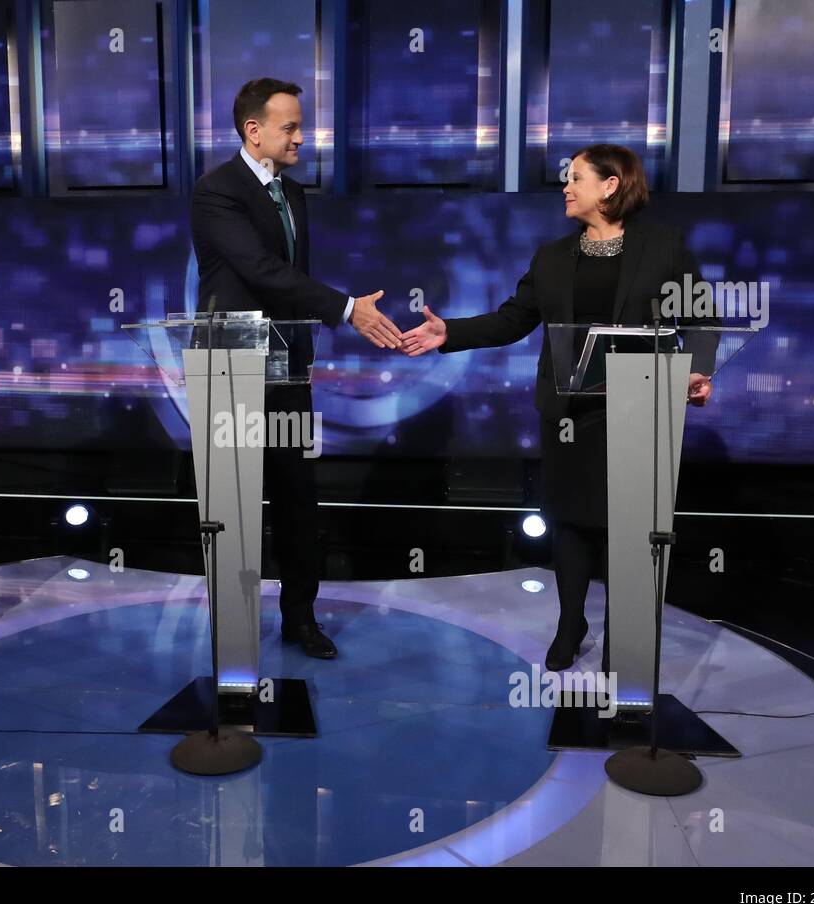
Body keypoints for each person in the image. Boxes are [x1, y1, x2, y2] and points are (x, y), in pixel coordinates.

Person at [400, 144, 716, 673]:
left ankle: (628, 633)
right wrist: (449, 332)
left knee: (630, 526)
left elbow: (701, 318)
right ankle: (572, 623)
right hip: (570, 414)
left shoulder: (663, 248)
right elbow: (511, 320)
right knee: (570, 521)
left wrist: (697, 369)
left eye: (575, 179)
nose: (565, 188)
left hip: (640, 411)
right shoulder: (550, 257)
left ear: (610, 185)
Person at [190, 77, 402, 659]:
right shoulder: (217, 191)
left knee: (297, 495)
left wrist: (310, 343)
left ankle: (300, 617)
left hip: (286, 367)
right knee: (233, 501)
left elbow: (289, 283)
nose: (301, 138)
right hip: (231, 365)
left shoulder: (294, 194)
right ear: (253, 131)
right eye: (290, 127)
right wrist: (346, 308)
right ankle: (232, 624)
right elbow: (258, 269)